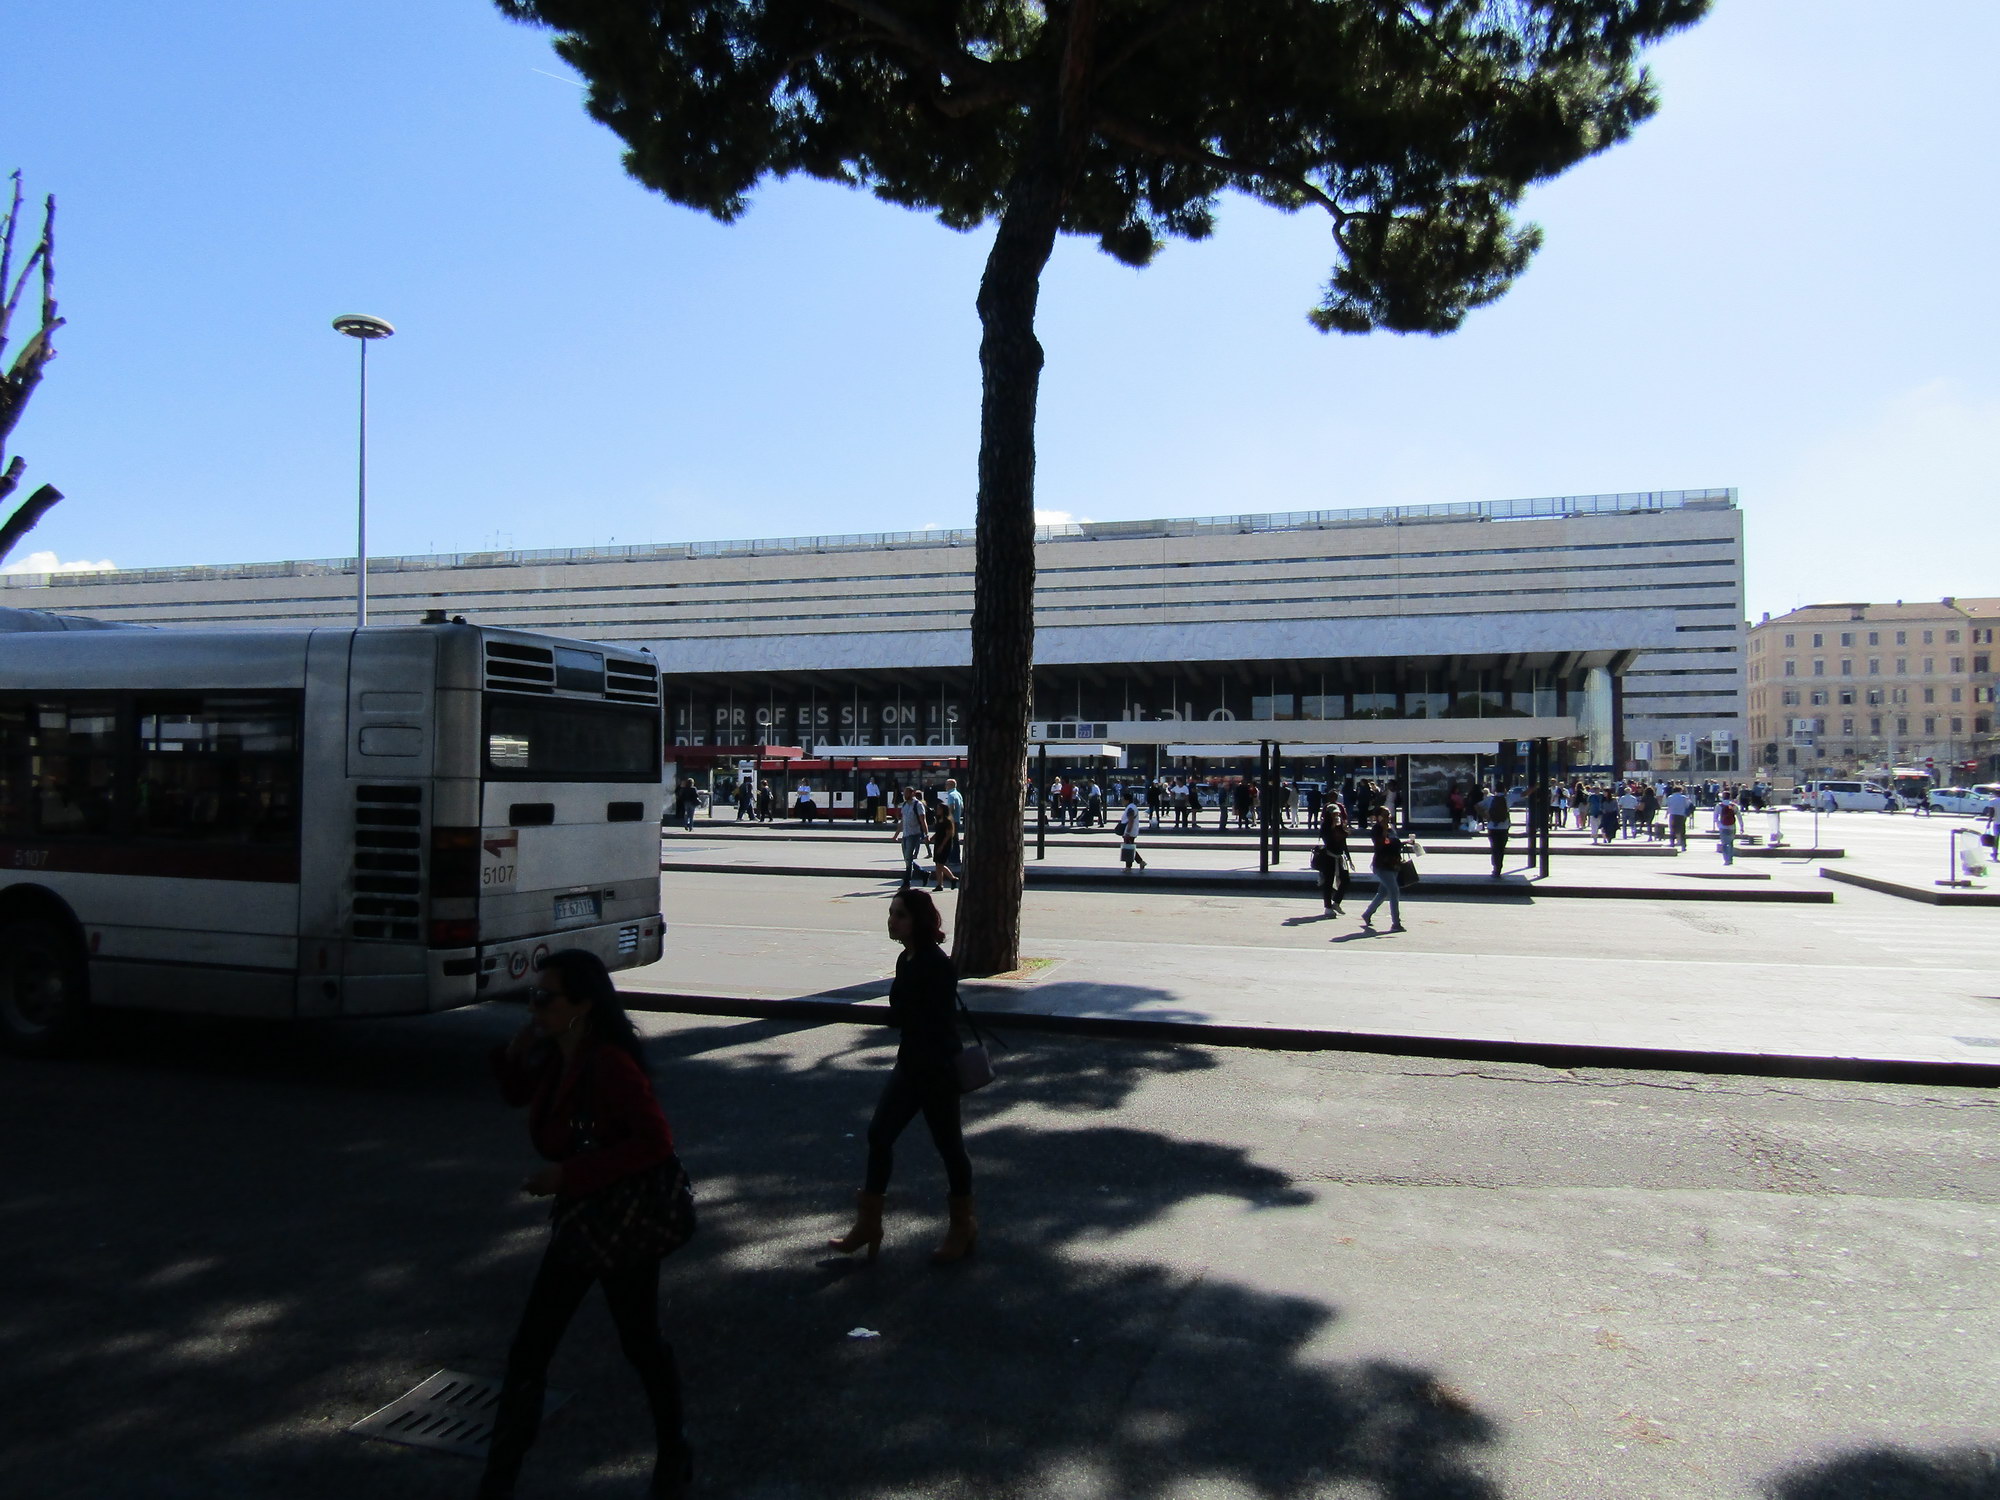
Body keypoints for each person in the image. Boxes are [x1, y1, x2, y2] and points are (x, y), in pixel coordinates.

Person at [481, 951, 690, 1500]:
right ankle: (498, 1479)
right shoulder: (559, 1055)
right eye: (534, 996)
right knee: (532, 1348)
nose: (536, 1006)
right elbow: (516, 1095)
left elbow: (656, 1143)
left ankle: (674, 1452)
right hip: (583, 1218)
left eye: (547, 997)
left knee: (639, 1343)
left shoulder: (609, 1065)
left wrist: (568, 1175)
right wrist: (515, 1051)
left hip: (621, 1223)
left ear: (582, 1006)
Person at [826, 888, 978, 1264]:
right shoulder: (906, 959)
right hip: (911, 1065)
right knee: (879, 1135)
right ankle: (868, 1224)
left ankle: (963, 1225)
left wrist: (905, 1018)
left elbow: (934, 1020)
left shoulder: (935, 964)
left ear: (917, 921)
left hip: (937, 1070)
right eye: (891, 913)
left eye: (899, 915)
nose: (891, 920)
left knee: (949, 1147)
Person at [1359, 808, 1407, 933]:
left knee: (1383, 893)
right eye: (1385, 815)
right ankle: (1396, 923)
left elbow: (1395, 843)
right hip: (1382, 864)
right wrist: (1384, 831)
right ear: (1378, 817)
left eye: (1388, 815)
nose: (1387, 818)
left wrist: (1406, 843)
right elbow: (1380, 846)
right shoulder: (1376, 830)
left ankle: (1367, 913)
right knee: (1394, 891)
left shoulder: (1391, 828)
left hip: (1394, 863)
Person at [1314, 798, 1351, 915]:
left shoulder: (1340, 826)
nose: (1337, 816)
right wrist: (1333, 827)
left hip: (1339, 857)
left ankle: (1336, 902)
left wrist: (1349, 858)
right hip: (1328, 857)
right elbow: (1329, 841)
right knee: (1328, 882)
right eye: (1334, 814)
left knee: (1346, 880)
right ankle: (1328, 907)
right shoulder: (1325, 827)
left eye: (1338, 814)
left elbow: (1343, 842)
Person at [896, 787, 930, 885]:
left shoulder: (918, 805)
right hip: (905, 835)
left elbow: (923, 821)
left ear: (912, 793)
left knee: (908, 858)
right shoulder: (905, 805)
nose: (904, 795)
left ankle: (906, 882)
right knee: (907, 858)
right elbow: (903, 821)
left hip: (914, 834)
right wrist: (896, 834)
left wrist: (926, 834)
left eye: (906, 793)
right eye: (904, 793)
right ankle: (923, 873)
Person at [930, 799, 961, 889]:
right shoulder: (938, 819)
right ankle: (940, 884)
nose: (937, 810)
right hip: (938, 843)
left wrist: (942, 846)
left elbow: (948, 835)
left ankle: (951, 879)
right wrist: (932, 837)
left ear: (943, 810)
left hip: (945, 844)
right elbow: (939, 832)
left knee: (940, 864)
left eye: (939, 809)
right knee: (938, 864)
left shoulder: (947, 821)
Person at [1481, 784, 1511, 878]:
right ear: (1505, 790)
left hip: (1492, 827)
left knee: (1494, 848)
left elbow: (1477, 806)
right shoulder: (1508, 799)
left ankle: (1495, 867)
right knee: (1501, 849)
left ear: (1494, 790)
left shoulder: (1490, 799)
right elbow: (1525, 793)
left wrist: (1486, 817)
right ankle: (1499, 867)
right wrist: (1535, 786)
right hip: (1504, 828)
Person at [1116, 794, 1148, 872]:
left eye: (1123, 800)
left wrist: (1127, 832)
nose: (1122, 802)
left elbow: (1131, 821)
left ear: (1127, 800)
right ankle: (1140, 862)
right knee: (1130, 848)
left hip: (1129, 832)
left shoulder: (1130, 808)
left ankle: (1129, 867)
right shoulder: (1131, 807)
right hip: (1131, 831)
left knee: (1128, 849)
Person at [1715, 791, 1743, 865]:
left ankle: (1726, 859)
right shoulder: (1733, 806)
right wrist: (1741, 827)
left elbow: (1715, 817)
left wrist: (1718, 824)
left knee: (1724, 844)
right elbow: (1739, 817)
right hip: (1732, 827)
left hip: (1723, 827)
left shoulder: (1719, 805)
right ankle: (1730, 858)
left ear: (1723, 797)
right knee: (1730, 843)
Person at [1664, 783, 1693, 850]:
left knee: (1672, 829)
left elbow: (1669, 806)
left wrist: (1666, 814)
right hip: (1681, 815)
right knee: (1682, 830)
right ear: (1681, 790)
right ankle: (1683, 845)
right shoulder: (1684, 798)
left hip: (1672, 815)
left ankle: (1672, 843)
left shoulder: (1670, 797)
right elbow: (1688, 805)